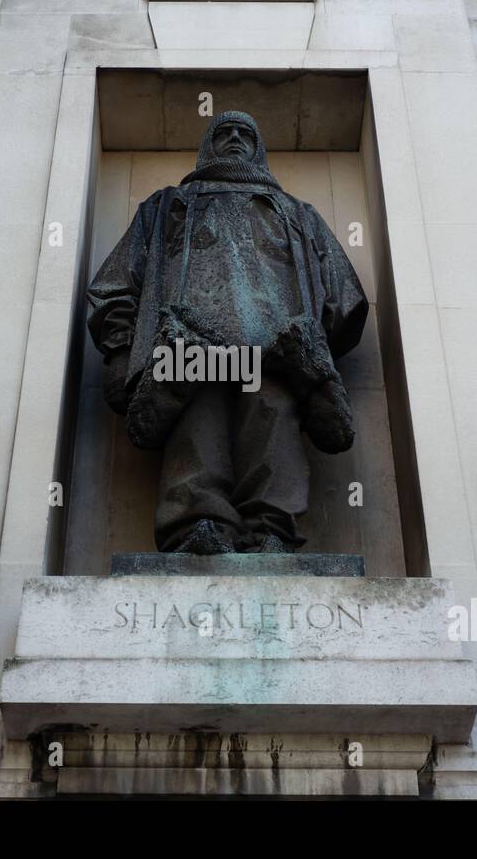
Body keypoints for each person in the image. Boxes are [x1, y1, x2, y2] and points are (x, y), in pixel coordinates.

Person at [87, 111, 367, 554]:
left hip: (276, 352)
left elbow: (344, 296)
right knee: (198, 425)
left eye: (245, 133)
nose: (235, 139)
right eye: (224, 132)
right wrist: (121, 349)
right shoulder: (165, 207)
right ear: (207, 145)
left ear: (259, 148)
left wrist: (313, 350)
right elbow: (119, 283)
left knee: (273, 421)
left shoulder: (298, 213)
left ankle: (271, 530)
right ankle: (197, 523)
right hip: (192, 348)